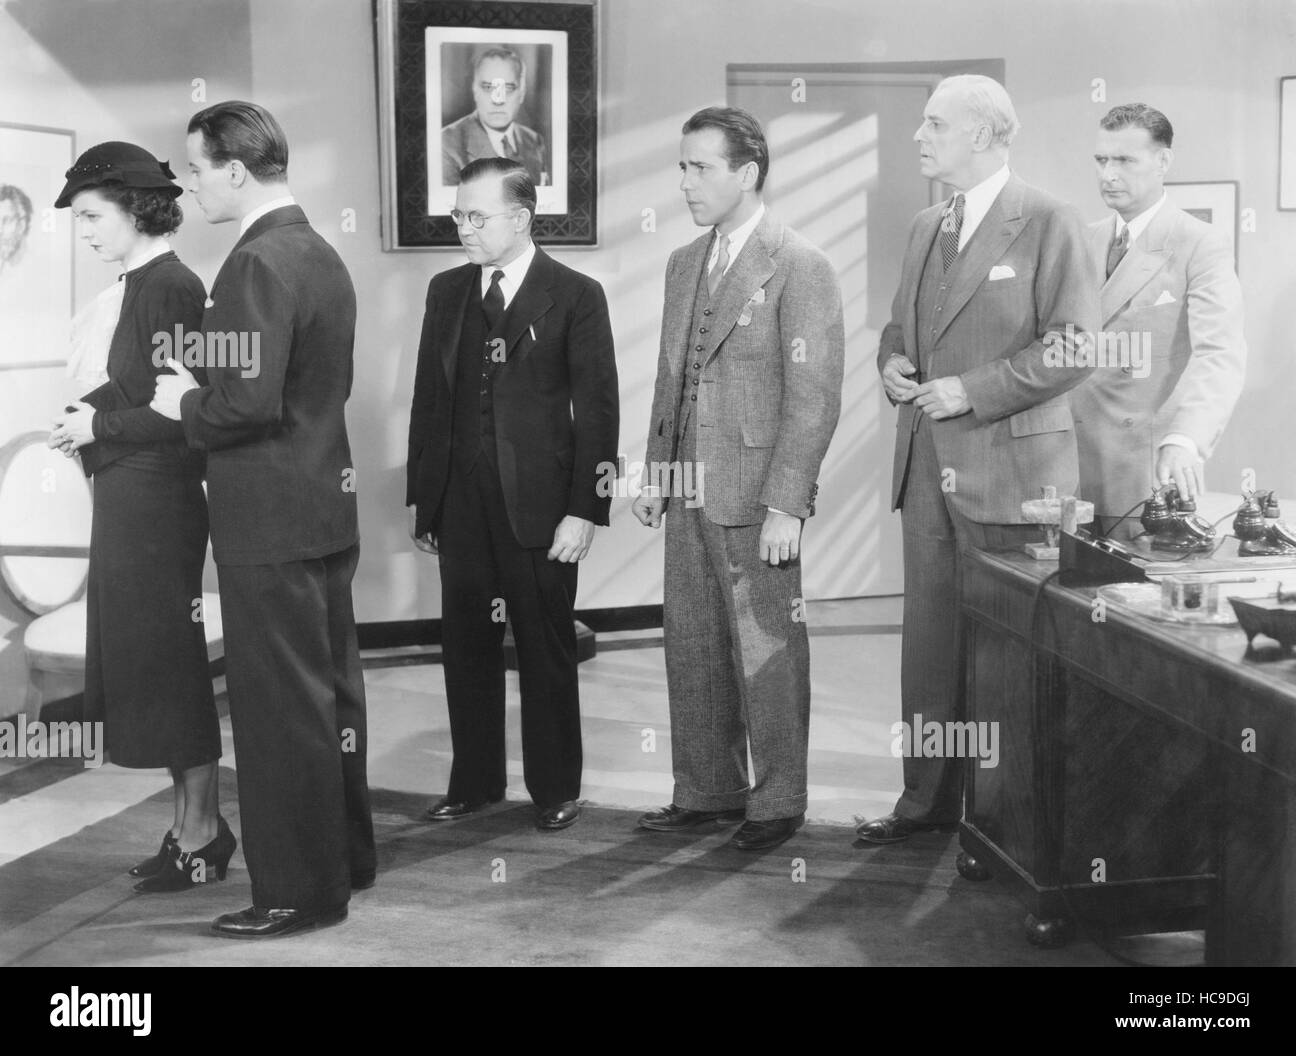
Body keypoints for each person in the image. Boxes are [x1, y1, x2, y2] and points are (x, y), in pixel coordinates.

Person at [151, 101, 375, 938]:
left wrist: (183, 403)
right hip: (322, 506)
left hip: (266, 520)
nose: (192, 183)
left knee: (279, 714)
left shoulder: (252, 265)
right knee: (333, 700)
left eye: (199, 168)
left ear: (237, 171)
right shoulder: (320, 254)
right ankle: (346, 861)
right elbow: (304, 384)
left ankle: (296, 894)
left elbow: (245, 401)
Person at [858, 75, 1099, 845]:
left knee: (1008, 667)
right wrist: (892, 364)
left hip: (1016, 479)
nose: (920, 137)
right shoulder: (929, 223)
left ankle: (1003, 831)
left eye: (935, 125)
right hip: (928, 473)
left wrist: (972, 389)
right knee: (929, 654)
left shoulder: (1051, 220)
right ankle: (925, 805)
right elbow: (902, 327)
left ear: (987, 135)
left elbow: (1073, 346)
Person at [632, 106, 844, 851]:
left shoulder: (801, 265)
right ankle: (706, 789)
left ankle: (779, 800)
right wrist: (655, 473)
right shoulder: (684, 263)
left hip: (757, 495)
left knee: (766, 650)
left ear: (746, 173)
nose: (685, 181)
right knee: (690, 642)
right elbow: (670, 378)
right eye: (682, 166)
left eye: (699, 167)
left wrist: (789, 503)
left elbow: (814, 398)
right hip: (689, 485)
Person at [407, 156, 618, 831]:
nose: (461, 227)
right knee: (465, 647)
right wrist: (426, 500)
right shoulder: (446, 292)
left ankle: (557, 789)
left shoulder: (576, 295)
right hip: (461, 506)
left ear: (521, 218)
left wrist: (586, 508)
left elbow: (599, 411)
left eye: (476, 216)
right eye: (458, 215)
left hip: (544, 510)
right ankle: (474, 783)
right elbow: (428, 402)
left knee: (544, 649)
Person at [47, 141, 232, 892]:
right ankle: (190, 828)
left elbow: (189, 411)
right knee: (155, 667)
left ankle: (204, 830)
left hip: (158, 503)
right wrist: (86, 417)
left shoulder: (173, 287)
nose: (84, 231)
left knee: (170, 667)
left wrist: (97, 428)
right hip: (130, 500)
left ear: (135, 209)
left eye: (93, 216)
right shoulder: (139, 284)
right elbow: (134, 388)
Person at [1072, 103, 1246, 533]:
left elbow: (1219, 355)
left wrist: (1186, 439)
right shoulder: (1081, 239)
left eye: (1125, 160)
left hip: (1143, 470)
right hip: (1068, 464)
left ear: (1163, 161)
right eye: (1102, 160)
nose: (1108, 174)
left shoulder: (1199, 244)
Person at [441, 47, 548, 186]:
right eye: (488, 87)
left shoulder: (535, 141)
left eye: (508, 88)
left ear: (522, 92)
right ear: (475, 91)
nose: (498, 100)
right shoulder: (445, 144)